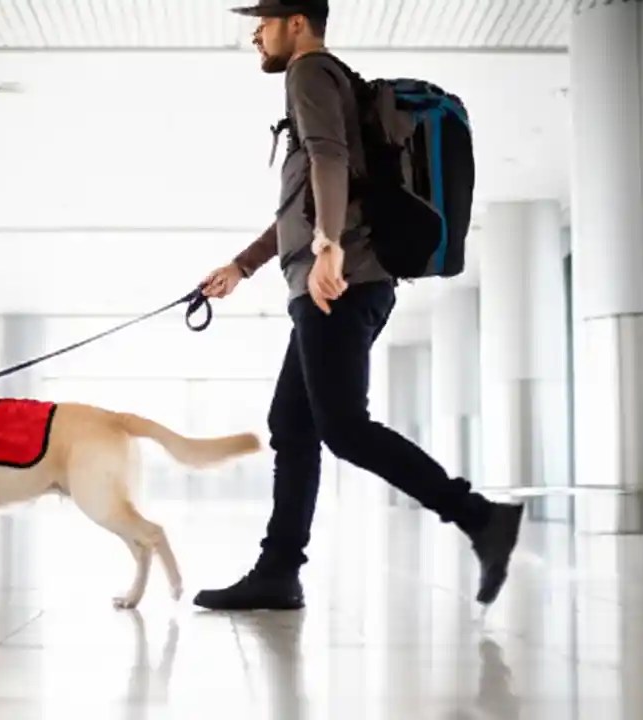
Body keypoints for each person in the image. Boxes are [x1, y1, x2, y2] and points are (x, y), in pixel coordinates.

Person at [193, 0, 524, 611]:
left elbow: (329, 159)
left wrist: (328, 247)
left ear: (297, 22)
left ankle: (480, 518)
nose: (256, 35)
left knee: (342, 428)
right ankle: (278, 571)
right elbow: (305, 198)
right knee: (293, 425)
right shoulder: (332, 82)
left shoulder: (309, 72)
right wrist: (243, 266)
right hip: (338, 281)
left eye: (263, 22)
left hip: (339, 283)